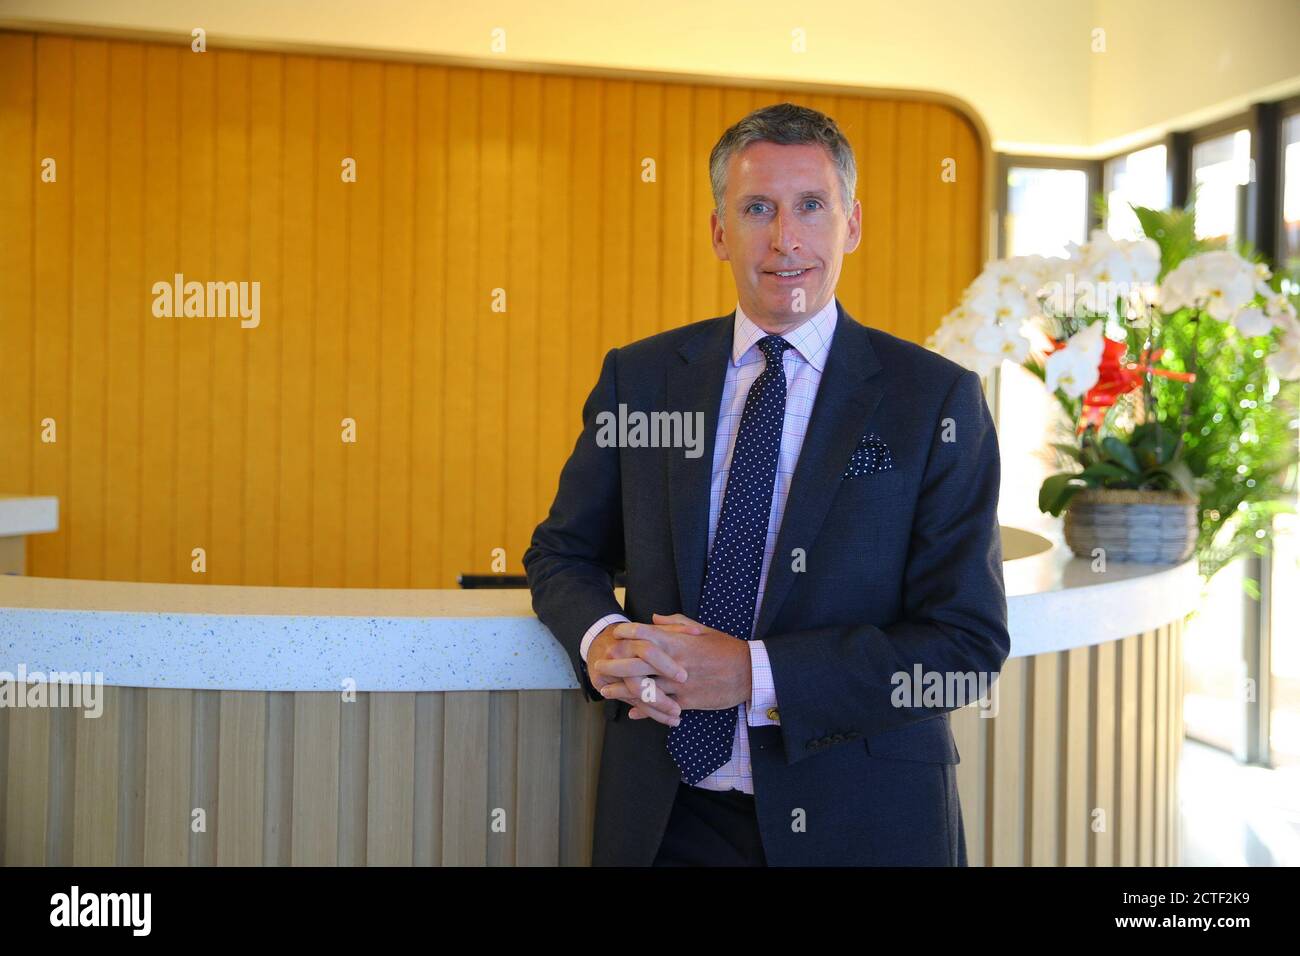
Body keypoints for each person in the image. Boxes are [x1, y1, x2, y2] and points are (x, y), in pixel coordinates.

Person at [523, 102, 1009, 866]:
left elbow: (964, 646)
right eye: (758, 209)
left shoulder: (936, 401)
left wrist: (754, 675)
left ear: (852, 224)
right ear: (720, 233)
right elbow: (562, 553)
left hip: (865, 821)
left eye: (811, 206)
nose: (786, 239)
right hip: (666, 819)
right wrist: (601, 636)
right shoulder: (642, 379)